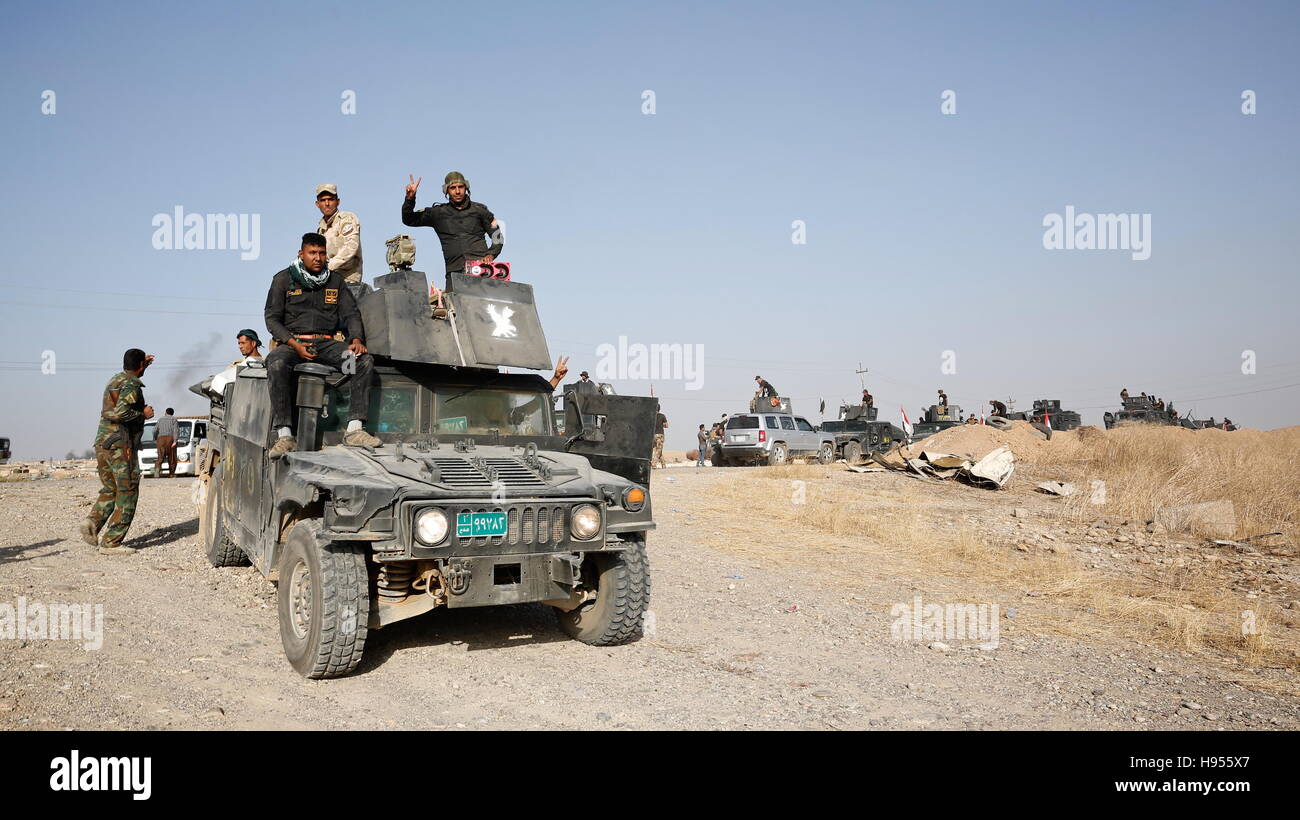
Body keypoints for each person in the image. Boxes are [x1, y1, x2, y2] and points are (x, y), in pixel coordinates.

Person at [264, 233, 382, 459]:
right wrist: (294, 343)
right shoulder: (283, 280)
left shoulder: (335, 281)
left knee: (361, 362)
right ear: (301, 254)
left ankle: (355, 429)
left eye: (321, 253)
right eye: (312, 253)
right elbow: (272, 319)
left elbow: (351, 314)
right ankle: (285, 435)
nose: (317, 258)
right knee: (277, 363)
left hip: (327, 345)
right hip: (293, 344)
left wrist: (356, 339)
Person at [80, 348, 154, 555]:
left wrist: (141, 365)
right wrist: (143, 414)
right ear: (140, 365)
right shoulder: (131, 384)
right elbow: (122, 412)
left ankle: (92, 523)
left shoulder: (116, 380)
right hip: (120, 446)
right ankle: (111, 542)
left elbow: (114, 405)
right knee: (128, 490)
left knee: (110, 489)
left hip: (104, 442)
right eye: (143, 364)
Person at [401, 171, 504, 276]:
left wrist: (491, 254)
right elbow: (409, 219)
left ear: (466, 188)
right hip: (454, 274)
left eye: (461, 187)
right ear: (446, 190)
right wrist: (410, 199)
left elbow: (498, 236)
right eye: (453, 188)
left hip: (481, 270)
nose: (458, 191)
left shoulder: (480, 211)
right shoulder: (437, 213)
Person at [314, 184, 363, 283]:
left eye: (330, 199)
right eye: (323, 200)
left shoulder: (346, 219)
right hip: (328, 281)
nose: (327, 203)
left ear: (338, 202)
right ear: (317, 204)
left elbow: (351, 247)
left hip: (348, 281)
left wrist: (327, 267)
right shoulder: (321, 230)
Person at [210, 328, 266, 398]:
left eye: (243, 343)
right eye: (239, 343)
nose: (240, 346)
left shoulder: (264, 363)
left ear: (253, 343)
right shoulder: (238, 364)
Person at [153, 408, 179, 478]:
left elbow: (154, 430)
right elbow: (175, 431)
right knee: (172, 457)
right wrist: (175, 441)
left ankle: (157, 469)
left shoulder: (160, 419)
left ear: (166, 412)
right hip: (170, 439)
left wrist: (155, 438)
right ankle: (171, 474)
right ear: (172, 413)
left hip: (160, 439)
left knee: (160, 457)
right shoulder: (174, 419)